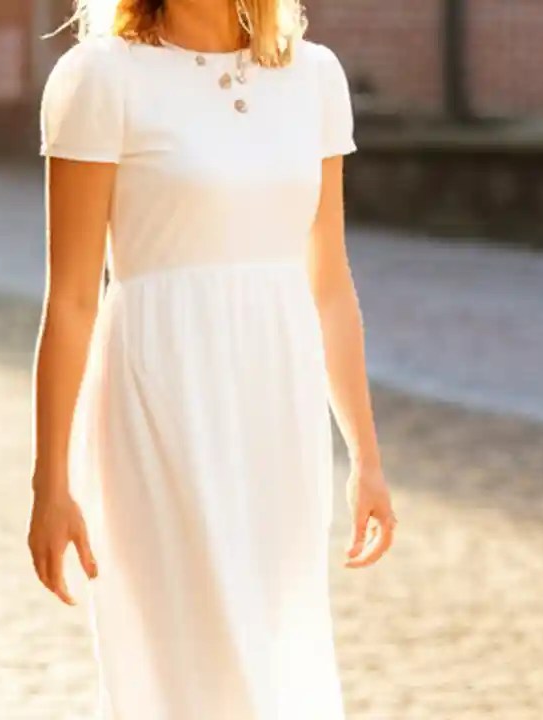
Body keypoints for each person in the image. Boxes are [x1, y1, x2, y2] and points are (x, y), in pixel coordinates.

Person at [26, 0, 396, 716]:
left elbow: (329, 284)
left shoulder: (315, 77)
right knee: (184, 660)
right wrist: (51, 483)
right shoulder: (100, 77)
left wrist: (366, 458)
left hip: (277, 401)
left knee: (273, 648)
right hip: (159, 387)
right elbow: (70, 299)